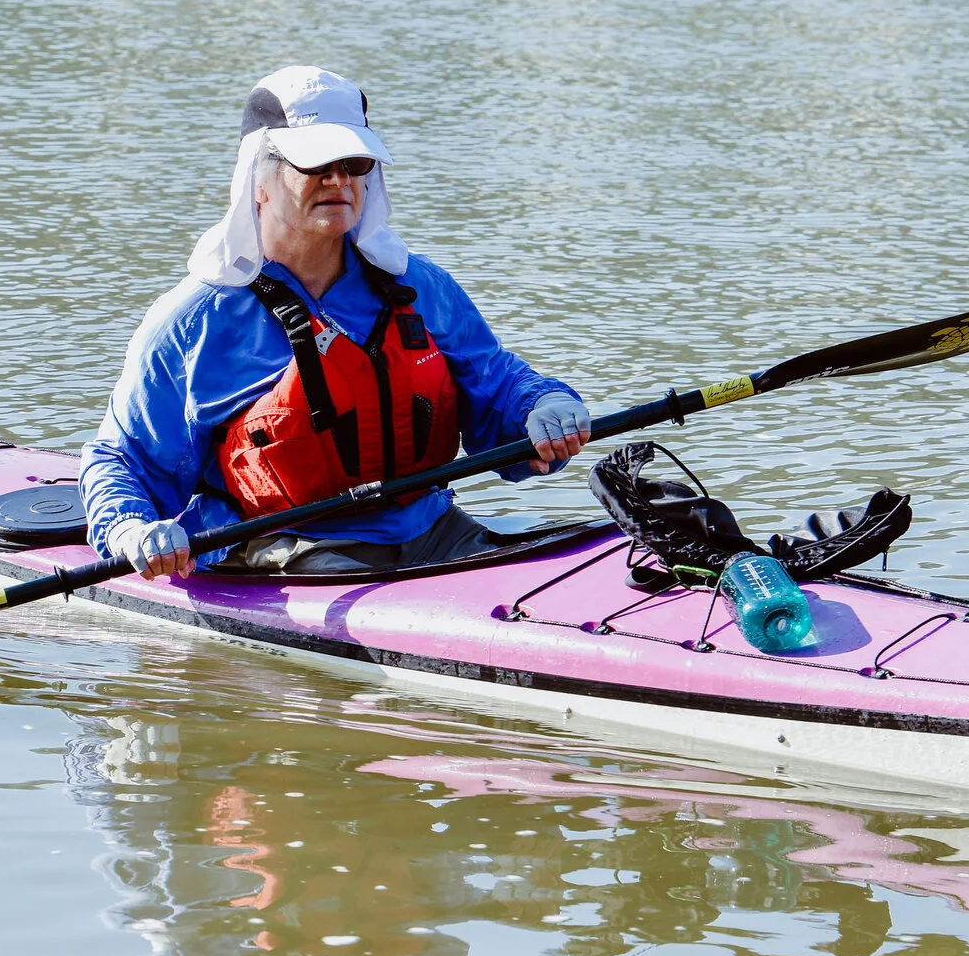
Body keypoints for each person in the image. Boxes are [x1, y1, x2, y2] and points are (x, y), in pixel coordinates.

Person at [80, 66, 597, 579]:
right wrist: (131, 529)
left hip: (431, 528)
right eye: (316, 164)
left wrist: (543, 408)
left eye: (354, 163)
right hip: (281, 542)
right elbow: (119, 460)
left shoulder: (420, 287)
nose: (339, 180)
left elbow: (499, 386)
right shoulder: (194, 320)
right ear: (259, 178)